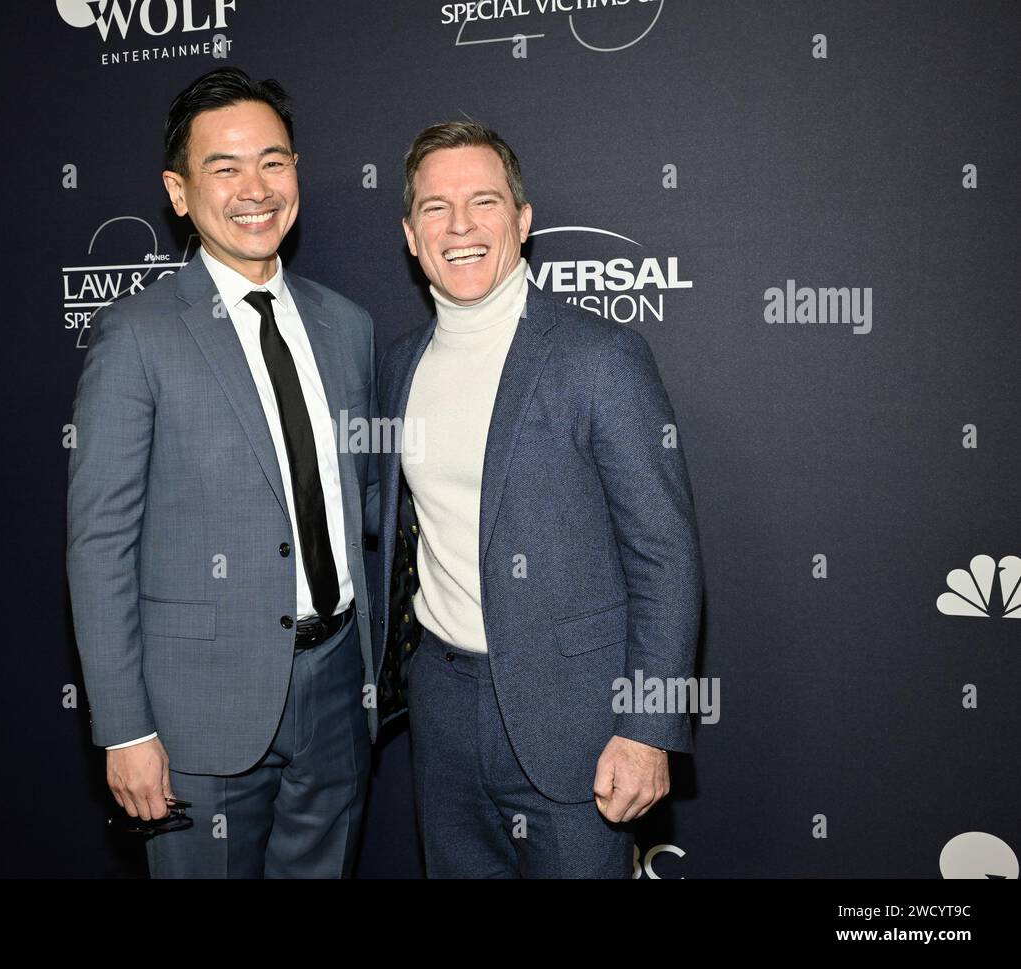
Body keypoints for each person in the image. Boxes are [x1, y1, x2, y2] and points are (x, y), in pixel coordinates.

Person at [66, 67, 379, 878]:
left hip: (340, 688)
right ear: (178, 191)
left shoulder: (347, 327)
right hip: (195, 717)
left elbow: (364, 503)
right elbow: (99, 544)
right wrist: (125, 730)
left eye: (273, 162)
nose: (255, 188)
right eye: (224, 167)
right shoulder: (134, 337)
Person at [374, 120, 703, 878]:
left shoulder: (600, 357)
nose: (459, 226)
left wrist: (648, 727)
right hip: (443, 707)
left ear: (522, 222)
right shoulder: (398, 366)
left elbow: (667, 556)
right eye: (435, 208)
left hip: (580, 718)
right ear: (410, 234)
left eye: (483, 202)